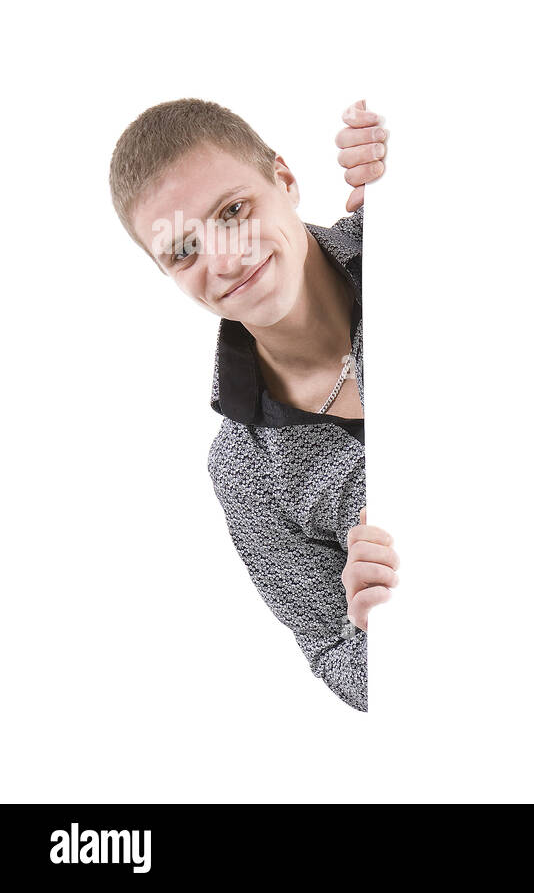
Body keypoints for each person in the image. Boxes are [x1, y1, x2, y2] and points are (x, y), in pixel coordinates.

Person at [108, 99, 398, 711]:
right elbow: (343, 667)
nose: (226, 259)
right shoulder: (245, 473)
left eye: (233, 210)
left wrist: (425, 154)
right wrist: (374, 626)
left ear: (285, 180)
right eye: (183, 250)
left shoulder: (409, 240)